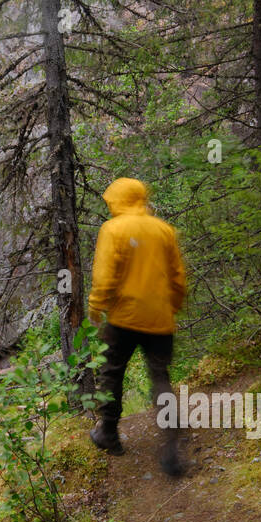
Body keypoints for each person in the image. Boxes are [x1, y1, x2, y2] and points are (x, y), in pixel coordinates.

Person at [86, 178, 188, 475]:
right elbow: (178, 277)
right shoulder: (163, 230)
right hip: (160, 318)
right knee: (160, 377)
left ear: (118, 199)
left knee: (112, 372)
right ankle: (171, 446)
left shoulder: (114, 229)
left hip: (124, 319)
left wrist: (96, 306)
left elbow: (106, 276)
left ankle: (108, 433)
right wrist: (174, 306)